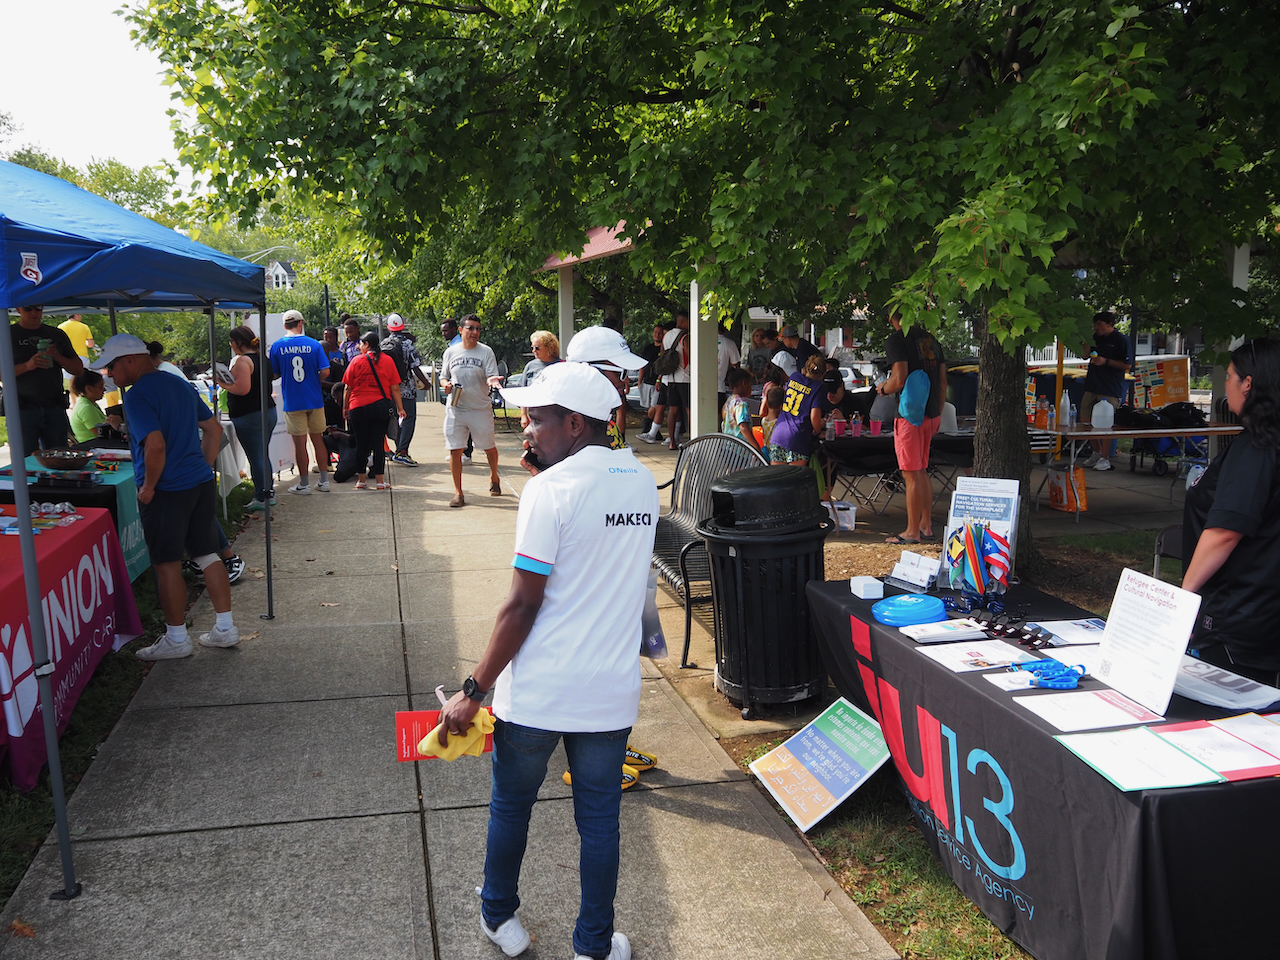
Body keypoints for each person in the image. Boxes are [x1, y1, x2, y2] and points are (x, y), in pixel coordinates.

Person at [436, 361, 657, 960]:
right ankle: (592, 946)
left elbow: (521, 607)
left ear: (576, 423)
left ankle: (497, 916)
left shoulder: (547, 491)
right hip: (608, 691)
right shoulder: (639, 480)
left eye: (536, 420)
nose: (525, 430)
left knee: (512, 807)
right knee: (600, 824)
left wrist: (473, 689)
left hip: (537, 692)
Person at [96, 334, 238, 659]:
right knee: (208, 554)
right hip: (199, 483)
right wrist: (201, 466)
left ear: (130, 360)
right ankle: (226, 628)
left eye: (111, 367)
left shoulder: (136, 396)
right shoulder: (181, 384)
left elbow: (155, 445)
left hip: (166, 491)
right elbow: (214, 430)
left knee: (166, 564)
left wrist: (148, 487)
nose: (109, 375)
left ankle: (177, 639)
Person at [1181, 338, 1280, 684]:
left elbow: (1224, 532)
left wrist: (1182, 598)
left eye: (1229, 375)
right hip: (1262, 610)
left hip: (1235, 619)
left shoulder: (1257, 448)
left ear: (1248, 383)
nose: (1225, 384)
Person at [878, 311, 946, 544]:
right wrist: (938, 411)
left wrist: (882, 389)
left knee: (910, 473)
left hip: (909, 415)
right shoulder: (930, 339)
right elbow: (943, 380)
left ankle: (911, 531)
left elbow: (898, 379)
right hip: (931, 412)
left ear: (890, 318)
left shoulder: (896, 340)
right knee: (922, 469)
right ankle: (926, 526)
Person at [441, 314, 502, 506]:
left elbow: (492, 374)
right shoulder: (451, 352)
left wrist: (492, 380)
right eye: (470, 328)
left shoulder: (486, 352)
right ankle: (458, 493)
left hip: (480, 408)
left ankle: (494, 476)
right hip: (456, 408)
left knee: (488, 447)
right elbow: (443, 376)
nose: (475, 332)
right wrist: (446, 385)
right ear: (461, 330)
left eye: (478, 329)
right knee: (455, 450)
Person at [6, 304, 84, 455]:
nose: (34, 312)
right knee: (25, 460)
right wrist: (28, 366)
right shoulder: (7, 334)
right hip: (22, 408)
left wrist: (58, 357)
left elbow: (78, 370)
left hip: (54, 406)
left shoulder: (56, 334)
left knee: (59, 458)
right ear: (18, 309)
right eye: (28, 308)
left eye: (38, 308)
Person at [268, 310, 331, 494]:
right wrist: (313, 379)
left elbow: (274, 374)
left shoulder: (277, 346)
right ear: (301, 323)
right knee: (318, 440)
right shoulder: (313, 344)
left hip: (293, 401)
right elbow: (326, 371)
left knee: (300, 444)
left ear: (284, 325)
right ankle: (324, 481)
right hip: (314, 399)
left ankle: (304, 484)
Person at [565, 325, 649, 451]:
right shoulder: (568, 429)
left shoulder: (605, 422)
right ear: (591, 371)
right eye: (621, 372)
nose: (626, 380)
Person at [341, 332, 405, 490]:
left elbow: (347, 387)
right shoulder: (387, 361)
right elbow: (395, 388)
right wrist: (400, 408)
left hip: (358, 407)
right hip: (380, 408)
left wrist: (345, 406)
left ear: (367, 345)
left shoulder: (356, 361)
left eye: (361, 343)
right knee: (378, 444)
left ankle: (361, 481)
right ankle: (379, 482)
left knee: (361, 444)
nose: (358, 346)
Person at [225, 326, 278, 510]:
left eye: (231, 342)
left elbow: (242, 389)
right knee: (262, 454)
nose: (231, 345)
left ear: (238, 342)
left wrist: (222, 383)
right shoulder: (262, 358)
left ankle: (261, 496)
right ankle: (268, 492)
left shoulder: (242, 361)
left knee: (256, 457)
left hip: (249, 414)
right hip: (268, 410)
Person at [1079, 311, 1131, 471]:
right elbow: (1083, 355)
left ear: (1109, 324)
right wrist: (1087, 339)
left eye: (1100, 325)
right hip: (1092, 384)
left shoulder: (1121, 340)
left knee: (1106, 424)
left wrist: (1106, 361)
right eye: (1095, 325)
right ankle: (1096, 451)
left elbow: (1127, 365)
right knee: (1085, 419)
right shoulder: (1095, 337)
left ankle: (1105, 458)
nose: (1097, 328)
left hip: (1109, 387)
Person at [768, 354, 832, 466]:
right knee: (795, 481)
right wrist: (817, 431)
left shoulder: (794, 377)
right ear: (823, 374)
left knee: (776, 480)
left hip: (779, 434)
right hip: (798, 438)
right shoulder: (819, 387)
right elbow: (814, 416)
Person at [382, 313, 424, 466]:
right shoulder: (408, 344)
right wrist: (426, 383)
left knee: (395, 419)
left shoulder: (383, 344)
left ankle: (398, 449)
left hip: (389, 389)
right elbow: (415, 367)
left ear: (388, 327)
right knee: (408, 418)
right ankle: (402, 451)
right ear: (402, 326)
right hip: (406, 388)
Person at [661, 310, 692, 450]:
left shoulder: (666, 335)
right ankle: (693, 439)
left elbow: (663, 353)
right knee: (689, 410)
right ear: (683, 322)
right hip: (685, 378)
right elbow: (690, 356)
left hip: (671, 378)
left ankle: (672, 442)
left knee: (672, 410)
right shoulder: (685, 336)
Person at [69, 370, 121, 442]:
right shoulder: (86, 408)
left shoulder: (89, 403)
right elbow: (103, 433)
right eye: (100, 387)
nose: (104, 389)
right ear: (89, 389)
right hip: (93, 446)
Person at [721, 367, 761, 454]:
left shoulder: (728, 402)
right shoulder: (741, 404)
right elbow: (743, 426)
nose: (751, 389)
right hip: (740, 451)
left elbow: (738, 421)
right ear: (744, 383)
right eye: (750, 385)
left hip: (728, 448)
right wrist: (756, 448)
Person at [636, 324, 663, 437]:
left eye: (659, 332)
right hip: (647, 381)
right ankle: (654, 430)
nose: (657, 334)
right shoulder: (647, 348)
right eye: (655, 332)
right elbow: (642, 365)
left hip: (658, 383)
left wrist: (659, 379)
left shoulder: (664, 349)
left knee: (655, 406)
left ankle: (647, 423)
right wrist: (639, 380)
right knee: (651, 407)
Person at [321, 325, 347, 426]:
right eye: (325, 337)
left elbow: (341, 384)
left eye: (330, 337)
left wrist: (321, 382)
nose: (327, 339)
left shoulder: (336, 364)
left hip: (335, 404)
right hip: (321, 405)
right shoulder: (315, 367)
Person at [716, 327, 742, 418]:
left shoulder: (702, 340)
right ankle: (717, 431)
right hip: (719, 385)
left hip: (701, 383)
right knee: (719, 413)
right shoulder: (729, 343)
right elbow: (735, 365)